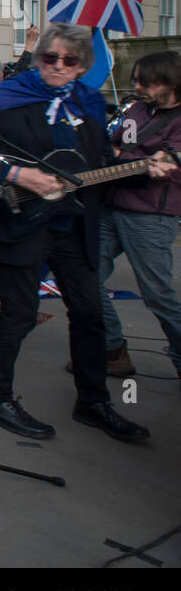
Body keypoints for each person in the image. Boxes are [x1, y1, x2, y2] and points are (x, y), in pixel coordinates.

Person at [0, 24, 174, 442]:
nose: (58, 66)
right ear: (39, 57)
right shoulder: (7, 96)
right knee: (20, 313)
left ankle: (93, 400)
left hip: (73, 223)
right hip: (19, 222)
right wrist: (19, 174)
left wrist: (144, 171)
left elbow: (99, 165)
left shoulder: (88, 103)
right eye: (51, 57)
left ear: (83, 66)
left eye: (69, 60)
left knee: (89, 312)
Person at [94, 50, 181, 380]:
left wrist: (156, 166)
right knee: (86, 277)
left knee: (158, 297)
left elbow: (167, 166)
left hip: (150, 216)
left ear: (169, 81)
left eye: (145, 81)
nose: (138, 86)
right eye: (135, 80)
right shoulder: (136, 110)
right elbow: (113, 146)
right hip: (110, 205)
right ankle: (112, 350)